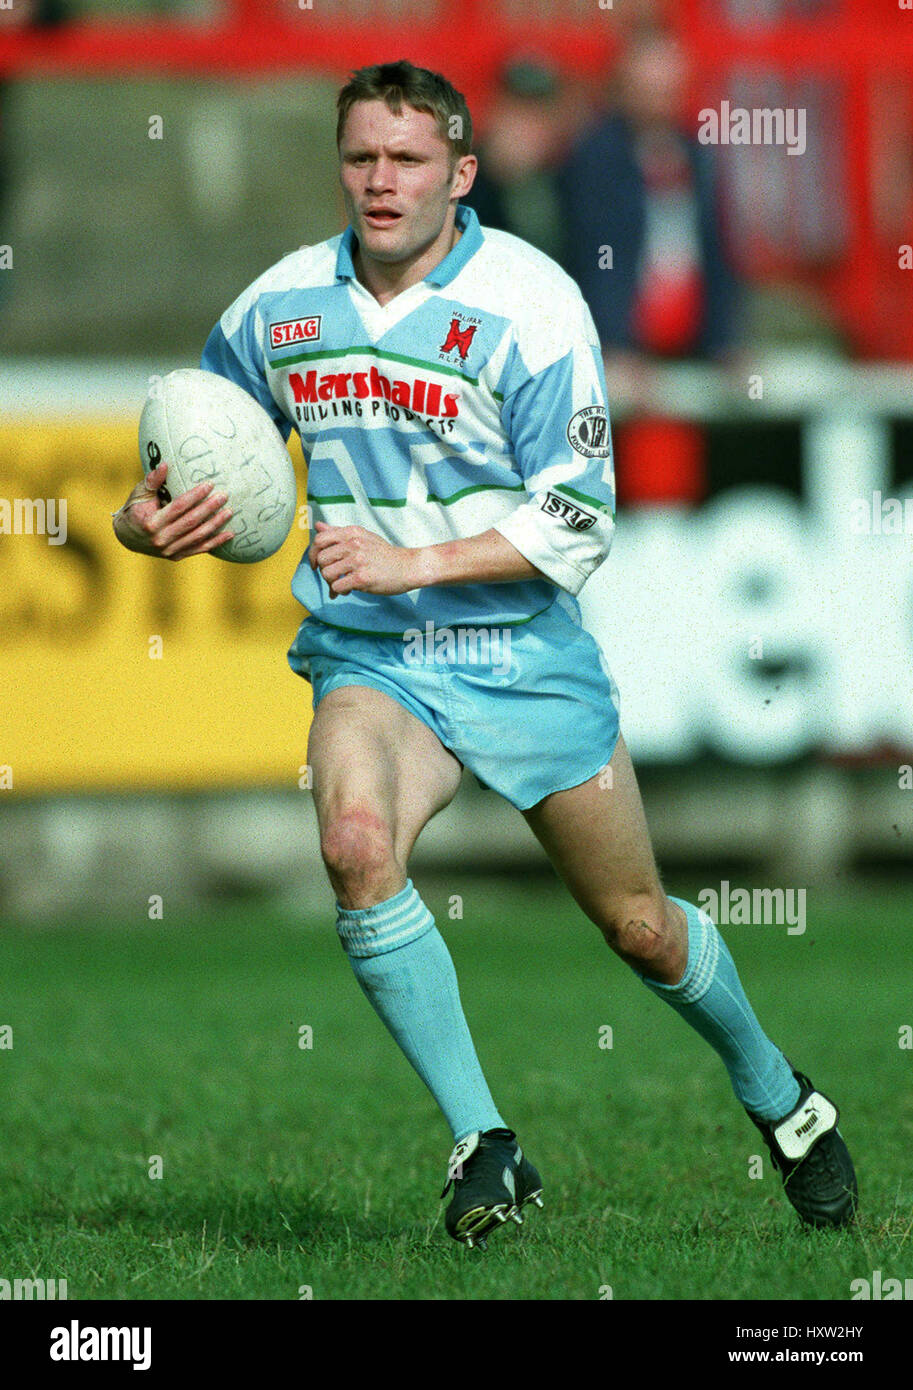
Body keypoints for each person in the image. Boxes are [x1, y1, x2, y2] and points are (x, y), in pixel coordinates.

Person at [112, 60, 856, 1249]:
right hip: (373, 660)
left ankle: (782, 1097)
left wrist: (412, 561)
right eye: (360, 157)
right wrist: (140, 526)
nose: (380, 182)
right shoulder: (278, 309)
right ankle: (485, 1145)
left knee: (637, 926)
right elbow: (198, 455)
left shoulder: (531, 302)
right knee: (356, 844)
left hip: (523, 656)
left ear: (462, 174)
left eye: (408, 161)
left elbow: (581, 518)